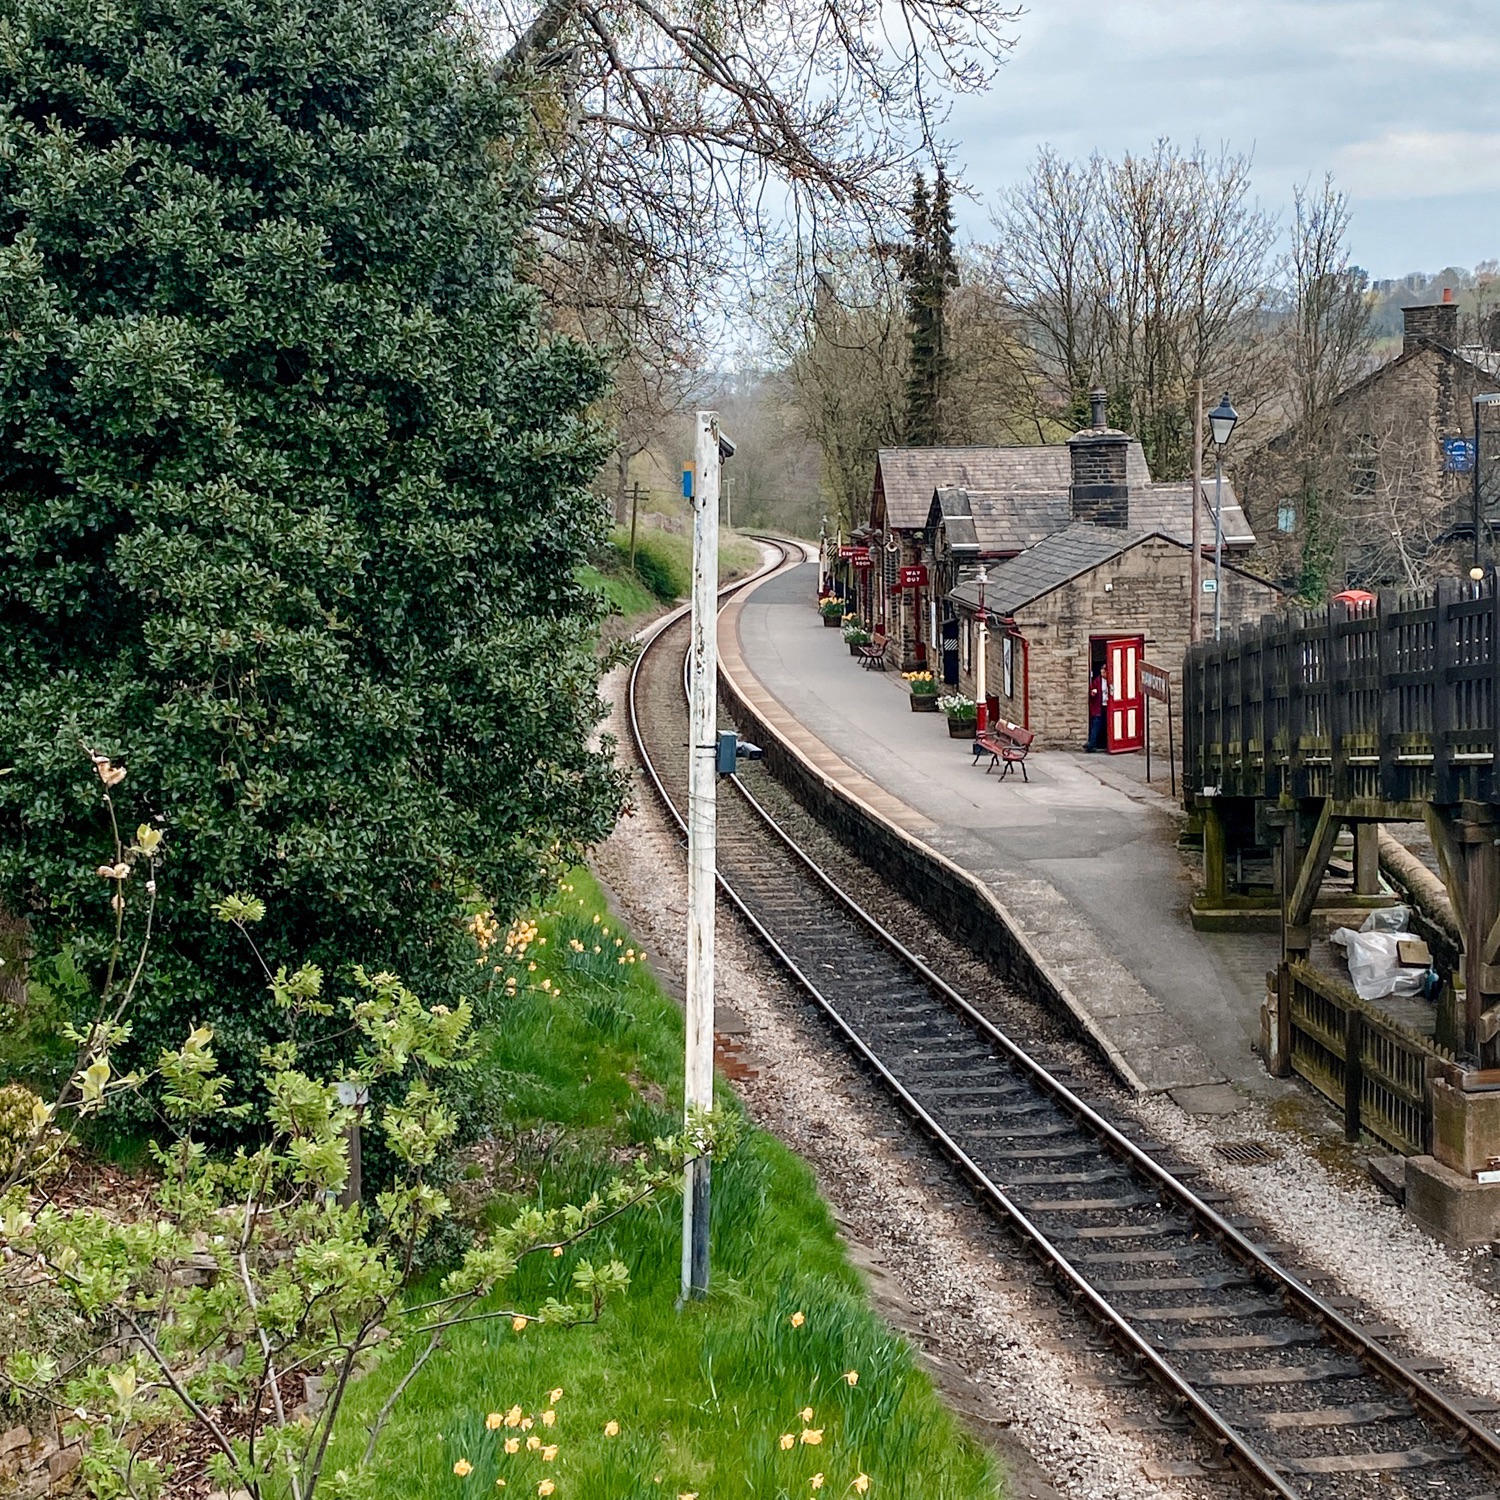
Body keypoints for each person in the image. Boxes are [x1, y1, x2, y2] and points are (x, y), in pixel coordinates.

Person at [1086, 664, 1109, 751]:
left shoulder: (1112, 680)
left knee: (1106, 725)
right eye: (1102, 672)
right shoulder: (1097, 681)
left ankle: (1106, 744)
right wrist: (1093, 693)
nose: (1103, 674)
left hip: (1108, 706)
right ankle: (1092, 744)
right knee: (1096, 724)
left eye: (1104, 672)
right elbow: (1092, 690)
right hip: (1099, 707)